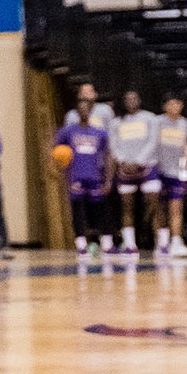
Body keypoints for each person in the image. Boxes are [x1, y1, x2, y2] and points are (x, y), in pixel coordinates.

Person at [53, 90, 115, 258]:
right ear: (77, 112)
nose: (84, 111)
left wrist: (108, 179)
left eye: (87, 109)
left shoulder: (100, 133)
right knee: (78, 211)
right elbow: (55, 150)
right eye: (81, 109)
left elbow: (108, 156)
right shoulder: (68, 131)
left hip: (95, 176)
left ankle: (106, 243)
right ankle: (81, 244)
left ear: (91, 111)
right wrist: (60, 169)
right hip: (76, 176)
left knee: (100, 210)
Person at [107, 90, 159, 255]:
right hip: (125, 169)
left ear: (139, 100)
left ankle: (159, 242)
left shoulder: (150, 118)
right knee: (127, 207)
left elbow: (153, 141)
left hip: (147, 166)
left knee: (154, 203)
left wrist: (139, 160)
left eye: (134, 98)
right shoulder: (116, 123)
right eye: (128, 99)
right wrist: (123, 161)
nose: (131, 102)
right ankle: (130, 244)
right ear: (123, 102)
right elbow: (113, 145)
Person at [155, 93, 187, 258]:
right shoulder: (157, 122)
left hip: (177, 171)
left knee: (176, 207)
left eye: (177, 103)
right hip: (158, 170)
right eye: (171, 104)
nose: (174, 107)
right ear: (165, 106)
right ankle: (162, 243)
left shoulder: (186, 124)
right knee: (159, 208)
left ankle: (176, 241)